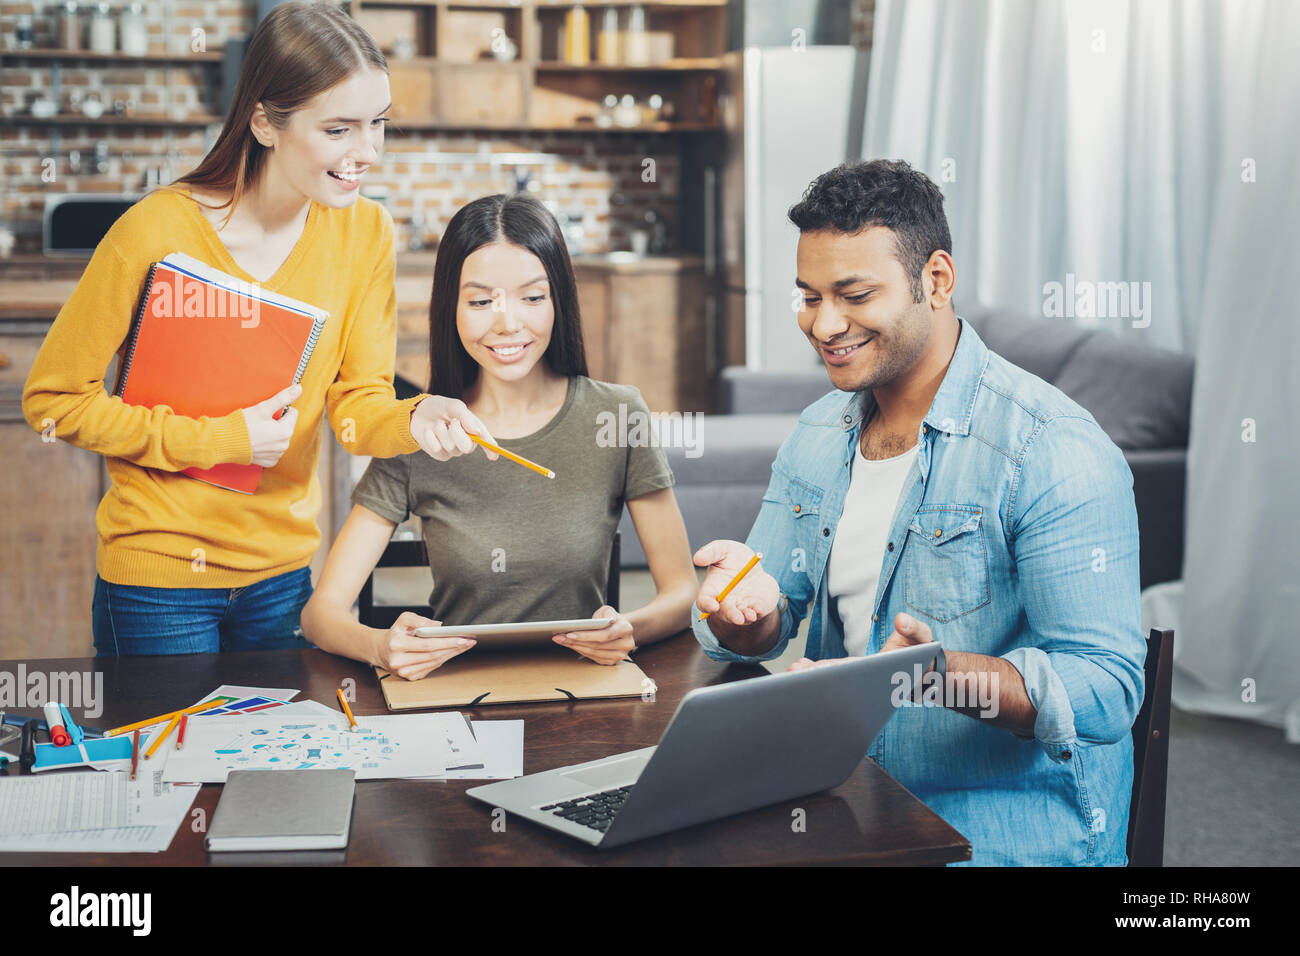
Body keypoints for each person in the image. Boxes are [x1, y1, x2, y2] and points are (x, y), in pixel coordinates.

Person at [690, 160, 1146, 865]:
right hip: (842, 799)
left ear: (935, 280)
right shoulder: (818, 432)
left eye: (854, 294)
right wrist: (736, 612)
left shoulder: (1051, 449)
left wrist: (941, 677)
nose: (824, 323)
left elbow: (1109, 691)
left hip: (994, 829)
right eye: (808, 296)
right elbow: (764, 622)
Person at [21, 1, 496, 656]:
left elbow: (357, 408)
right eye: (339, 129)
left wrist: (417, 417)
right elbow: (53, 403)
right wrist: (224, 439)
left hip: (283, 577)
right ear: (266, 123)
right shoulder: (156, 232)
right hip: (159, 583)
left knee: (278, 761)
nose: (368, 152)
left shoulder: (365, 233)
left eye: (378, 123)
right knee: (174, 762)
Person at [302, 194, 698, 678]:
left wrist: (629, 629)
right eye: (481, 301)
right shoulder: (422, 430)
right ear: (452, 307)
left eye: (532, 297)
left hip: (585, 694)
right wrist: (381, 646)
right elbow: (321, 614)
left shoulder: (616, 414)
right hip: (457, 700)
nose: (508, 323)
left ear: (558, 301)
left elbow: (682, 594)